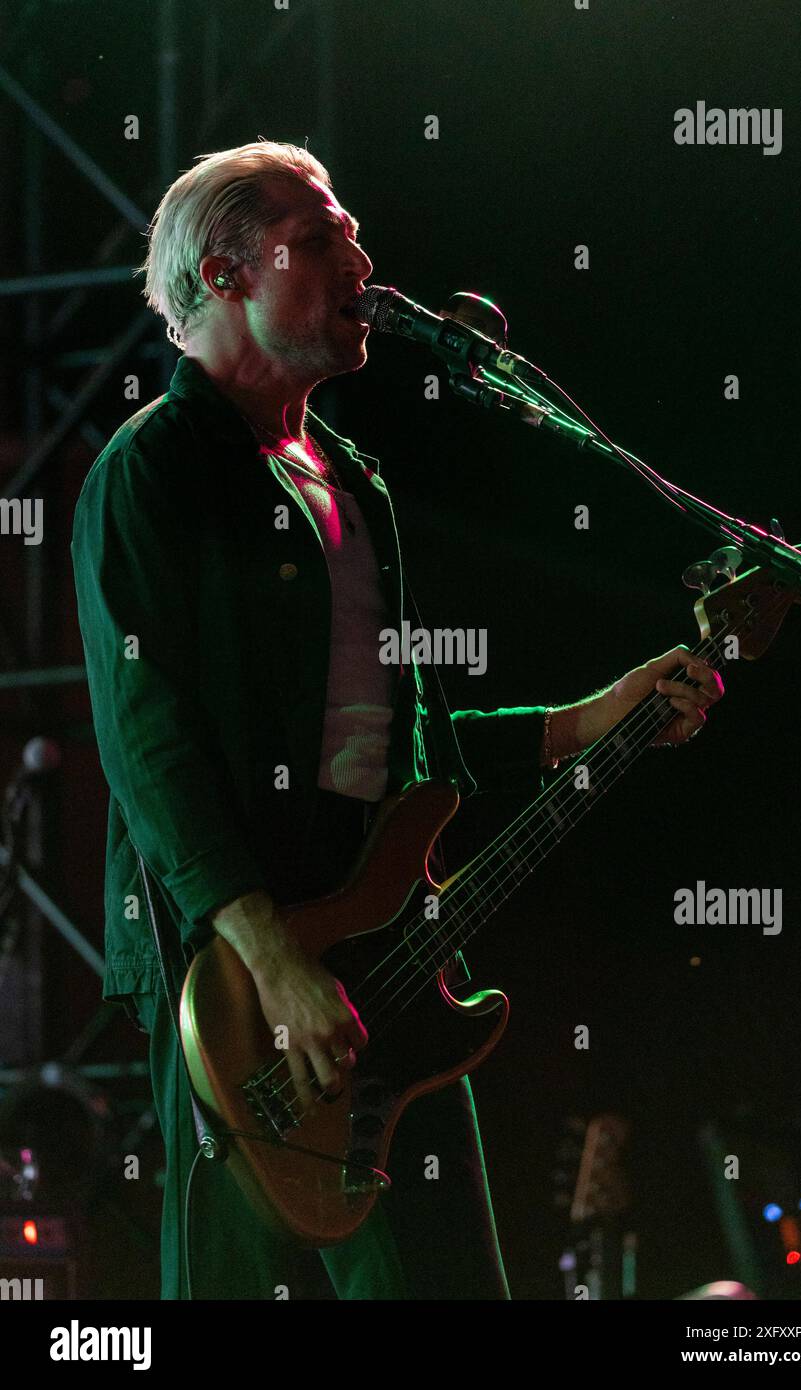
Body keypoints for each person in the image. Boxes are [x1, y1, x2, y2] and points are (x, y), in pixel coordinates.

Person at [71, 140, 723, 1300]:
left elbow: (395, 745)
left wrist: (589, 719)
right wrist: (270, 954)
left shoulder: (350, 481)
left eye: (354, 236)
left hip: (386, 953)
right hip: (238, 976)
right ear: (225, 273)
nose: (362, 263)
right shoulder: (154, 467)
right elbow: (145, 733)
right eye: (319, 238)